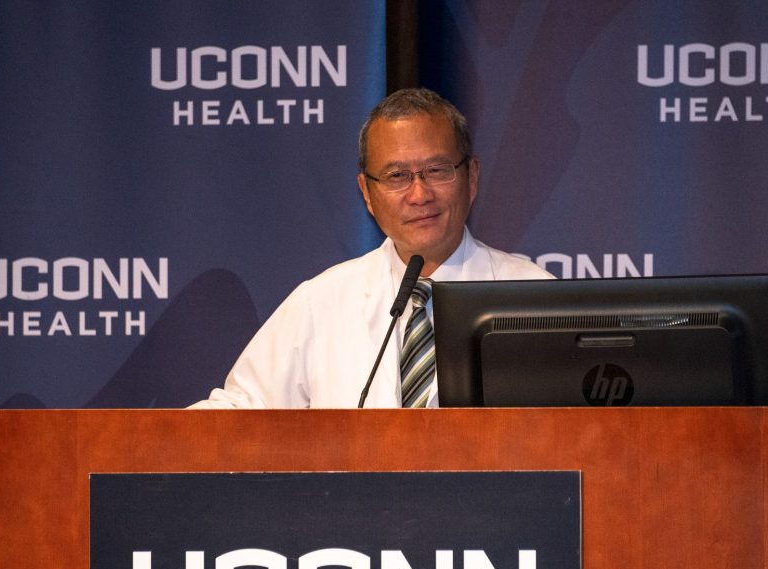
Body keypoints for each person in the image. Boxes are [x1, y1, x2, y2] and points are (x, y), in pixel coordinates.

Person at [191, 88, 550, 408]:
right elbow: (238, 412)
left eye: (437, 170)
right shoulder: (320, 303)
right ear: (366, 193)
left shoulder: (534, 298)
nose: (420, 195)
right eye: (397, 177)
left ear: (471, 177)